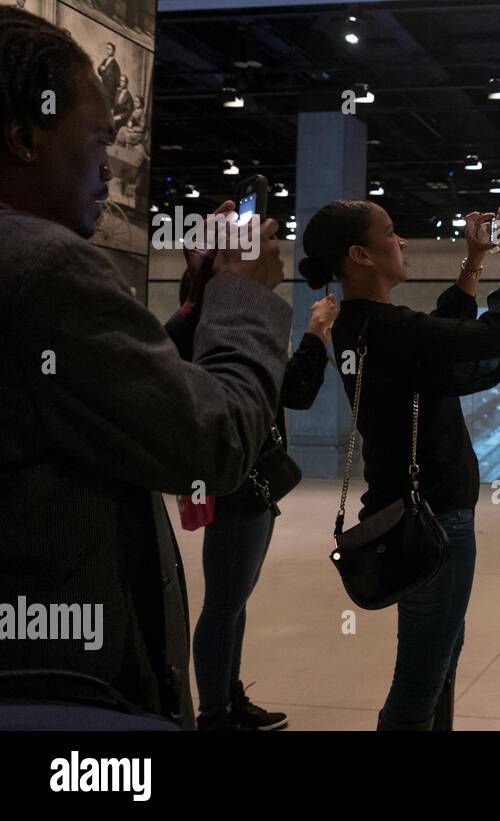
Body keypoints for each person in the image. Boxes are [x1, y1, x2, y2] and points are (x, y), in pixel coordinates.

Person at [0, 7, 291, 729]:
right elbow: (211, 442)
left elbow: (83, 394)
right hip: (72, 697)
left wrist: (195, 316)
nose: (111, 164)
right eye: (100, 139)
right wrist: (242, 301)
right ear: (25, 134)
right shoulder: (44, 266)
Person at [298, 200, 500, 731]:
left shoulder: (361, 325)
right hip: (436, 523)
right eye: (391, 231)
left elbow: (434, 347)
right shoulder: (385, 328)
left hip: (412, 516)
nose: (402, 241)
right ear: (360, 254)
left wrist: (473, 262)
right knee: (418, 688)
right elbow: (495, 344)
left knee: (438, 665)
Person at [168, 250, 339, 730]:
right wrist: (315, 333)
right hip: (237, 485)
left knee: (233, 601)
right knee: (224, 604)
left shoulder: (221, 333)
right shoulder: (210, 337)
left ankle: (227, 697)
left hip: (251, 482)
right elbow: (297, 390)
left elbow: (288, 391)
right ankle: (216, 714)